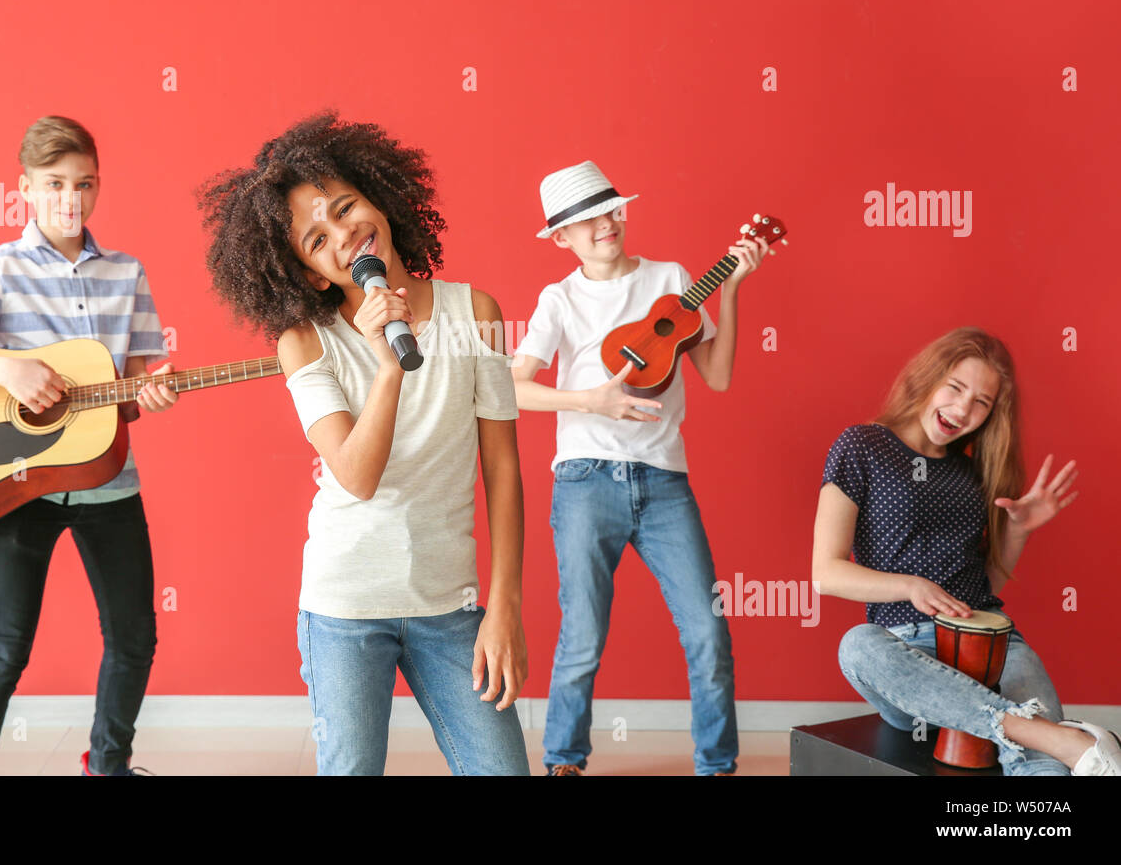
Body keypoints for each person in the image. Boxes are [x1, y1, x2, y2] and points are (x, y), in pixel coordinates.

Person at [199, 110, 530, 775]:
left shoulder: (479, 313)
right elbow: (356, 474)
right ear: (313, 274)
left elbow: (502, 466)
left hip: (451, 603)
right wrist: (386, 364)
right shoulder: (305, 342)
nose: (345, 234)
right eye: (318, 240)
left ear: (380, 199)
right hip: (345, 606)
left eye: (347, 207)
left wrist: (506, 607)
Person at [0, 116, 176, 776]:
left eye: (84, 185)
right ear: (24, 187)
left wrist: (155, 392)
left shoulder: (127, 273)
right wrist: (5, 369)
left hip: (109, 481)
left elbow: (137, 381)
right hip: (17, 485)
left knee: (135, 639)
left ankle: (107, 765)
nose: (70, 200)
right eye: (54, 184)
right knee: (1, 650)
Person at [511, 160, 770, 775]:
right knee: (583, 635)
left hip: (662, 480)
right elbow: (514, 387)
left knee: (708, 632)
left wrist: (732, 289)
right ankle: (563, 762)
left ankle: (717, 765)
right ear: (561, 239)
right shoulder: (559, 298)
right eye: (586, 220)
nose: (605, 223)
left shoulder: (672, 280)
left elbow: (720, 374)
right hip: (583, 481)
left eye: (609, 209)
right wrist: (589, 401)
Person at [813, 326, 1119, 775]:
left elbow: (984, 586)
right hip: (904, 656)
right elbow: (825, 573)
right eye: (955, 388)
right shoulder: (862, 447)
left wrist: (1018, 530)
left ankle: (1030, 740)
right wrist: (910, 586)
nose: (962, 409)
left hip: (992, 646)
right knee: (856, 646)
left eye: (982, 402)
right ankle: (1045, 733)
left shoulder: (973, 472)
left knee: (1047, 770)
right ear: (927, 378)